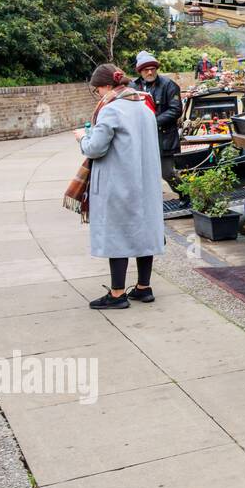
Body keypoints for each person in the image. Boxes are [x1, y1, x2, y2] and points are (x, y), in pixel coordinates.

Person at [73, 64, 166, 309]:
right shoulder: (144, 106)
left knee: (118, 233)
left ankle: (116, 294)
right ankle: (143, 287)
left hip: (119, 180)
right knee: (144, 230)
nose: (98, 95)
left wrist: (83, 138)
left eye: (97, 90)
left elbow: (95, 148)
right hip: (145, 180)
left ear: (106, 86)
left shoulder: (111, 110)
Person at [131, 51, 182, 194]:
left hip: (164, 137)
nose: (149, 72)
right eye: (146, 70)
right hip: (141, 138)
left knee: (167, 172)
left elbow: (176, 110)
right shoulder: (132, 87)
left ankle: (186, 195)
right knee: (144, 174)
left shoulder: (169, 85)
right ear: (140, 71)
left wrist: (151, 122)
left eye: (152, 69)